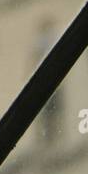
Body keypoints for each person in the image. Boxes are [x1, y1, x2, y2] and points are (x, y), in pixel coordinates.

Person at [33, 19, 63, 147]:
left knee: (48, 107)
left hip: (46, 79)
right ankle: (53, 132)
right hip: (53, 78)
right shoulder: (52, 38)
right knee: (53, 107)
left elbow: (34, 58)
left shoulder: (43, 40)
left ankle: (50, 133)